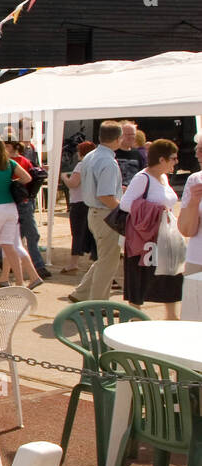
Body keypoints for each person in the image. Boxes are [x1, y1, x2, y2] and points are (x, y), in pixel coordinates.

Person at [119, 138, 182, 319]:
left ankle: (171, 317)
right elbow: (126, 204)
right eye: (173, 158)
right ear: (161, 159)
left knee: (170, 274)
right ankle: (136, 317)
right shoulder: (142, 178)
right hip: (144, 238)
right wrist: (156, 211)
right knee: (140, 277)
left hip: (164, 235)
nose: (176, 162)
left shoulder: (163, 177)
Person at [67, 120, 127, 303]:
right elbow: (105, 196)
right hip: (105, 214)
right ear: (118, 139)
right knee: (108, 262)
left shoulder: (91, 156)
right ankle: (98, 303)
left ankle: (82, 293)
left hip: (93, 212)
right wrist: (124, 211)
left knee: (104, 258)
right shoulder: (108, 161)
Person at [0, 136, 42, 288]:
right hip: (11, 207)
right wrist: (12, 182)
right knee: (9, 245)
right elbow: (27, 178)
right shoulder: (11, 163)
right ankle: (20, 282)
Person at [5, 138, 51, 279]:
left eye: (5, 145)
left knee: (23, 236)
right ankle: (33, 266)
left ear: (12, 146)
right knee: (20, 236)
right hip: (21, 202)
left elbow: (27, 178)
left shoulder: (16, 162)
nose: (3, 148)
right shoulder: (22, 161)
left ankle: (36, 266)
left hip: (19, 202)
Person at [60, 139, 98, 274]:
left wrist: (64, 177)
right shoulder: (95, 165)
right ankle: (95, 262)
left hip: (78, 203)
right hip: (90, 202)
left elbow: (73, 183)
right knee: (92, 234)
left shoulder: (81, 165)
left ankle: (73, 263)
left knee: (77, 233)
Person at [177, 133, 202, 276]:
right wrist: (194, 202)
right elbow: (186, 230)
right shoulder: (195, 180)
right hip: (197, 259)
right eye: (196, 149)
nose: (197, 155)